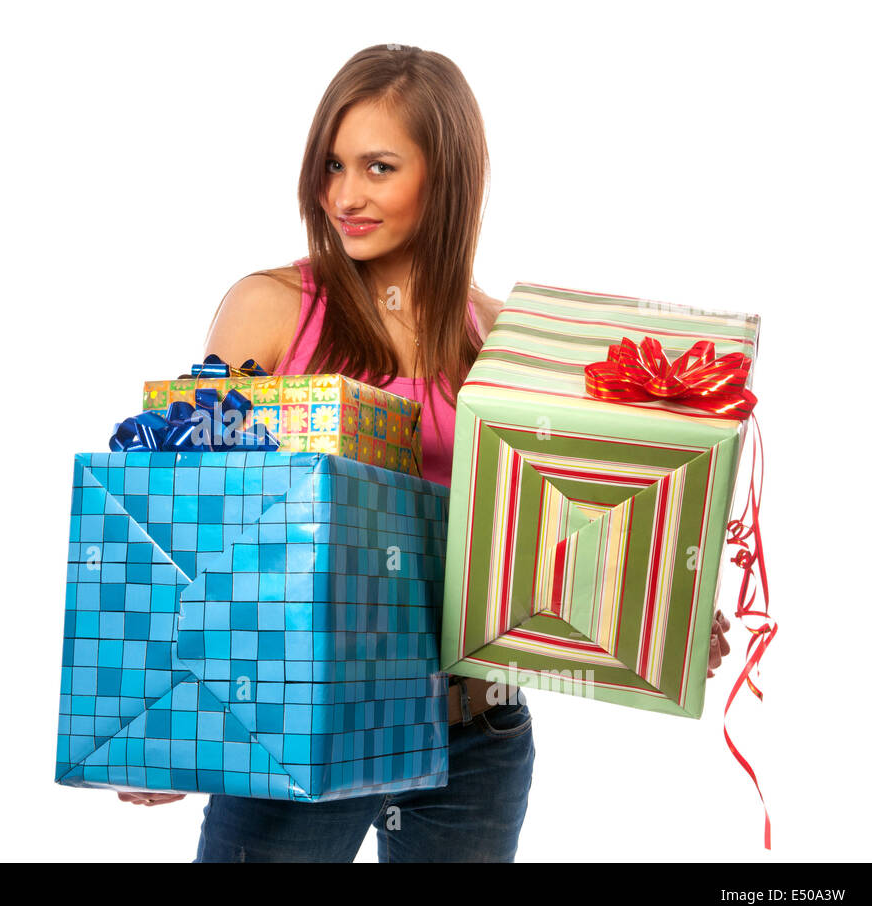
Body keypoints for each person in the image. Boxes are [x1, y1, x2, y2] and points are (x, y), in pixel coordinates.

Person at [117, 44, 734, 861]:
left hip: (473, 734)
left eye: (378, 167)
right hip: (298, 727)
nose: (344, 195)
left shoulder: (504, 337)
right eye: (331, 166)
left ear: (445, 177)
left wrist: (663, 611)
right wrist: (166, 722)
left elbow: (546, 534)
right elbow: (192, 519)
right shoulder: (272, 308)